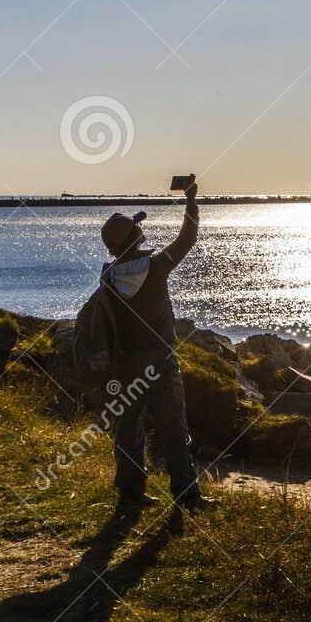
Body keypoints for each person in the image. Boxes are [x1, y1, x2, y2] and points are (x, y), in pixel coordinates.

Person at [98, 180, 211, 510]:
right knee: (173, 429)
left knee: (128, 428)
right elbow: (187, 238)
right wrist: (191, 201)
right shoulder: (156, 268)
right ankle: (186, 495)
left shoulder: (108, 277)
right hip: (160, 359)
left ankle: (130, 494)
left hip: (126, 363)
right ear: (135, 237)